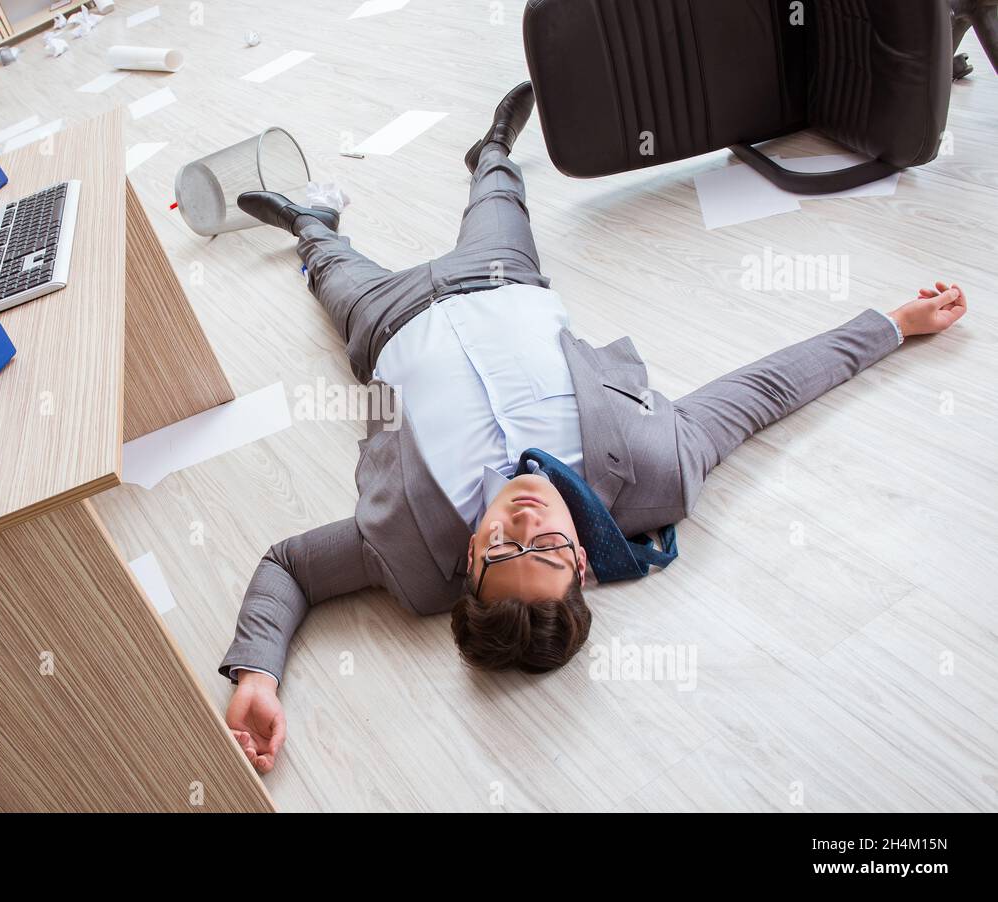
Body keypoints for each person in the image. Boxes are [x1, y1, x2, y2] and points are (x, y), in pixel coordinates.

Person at [220, 82, 969, 774]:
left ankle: (310, 222)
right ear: (581, 559)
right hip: (499, 273)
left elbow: (288, 565)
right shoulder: (655, 469)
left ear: (466, 567)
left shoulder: (408, 558)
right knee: (498, 198)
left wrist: (258, 673)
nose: (523, 520)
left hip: (388, 323)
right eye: (543, 546)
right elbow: (762, 392)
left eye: (499, 547)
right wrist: (893, 325)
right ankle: (491, 151)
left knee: (328, 266)